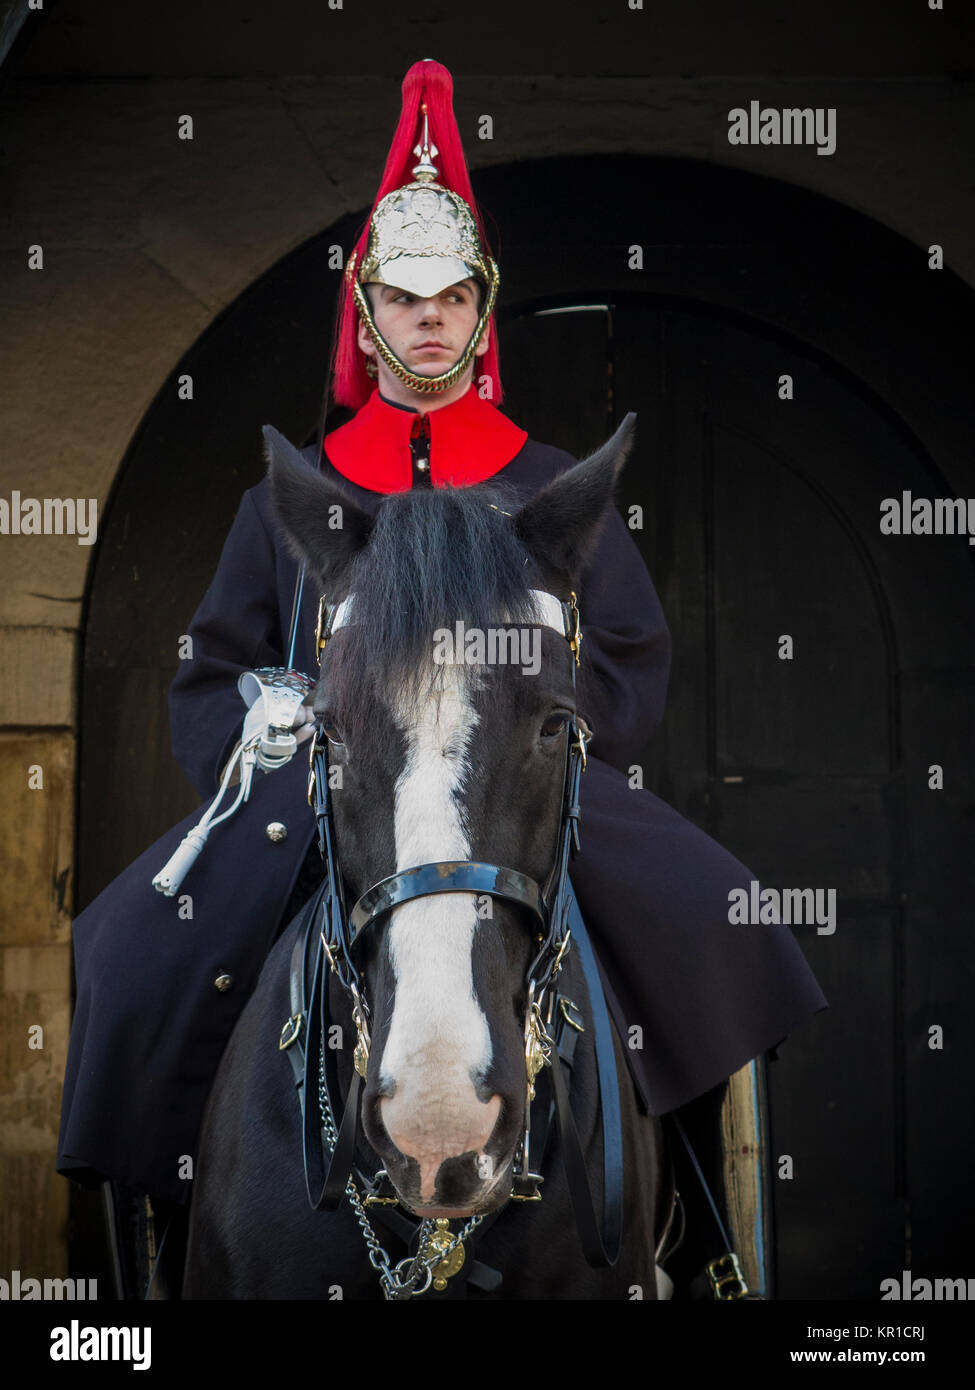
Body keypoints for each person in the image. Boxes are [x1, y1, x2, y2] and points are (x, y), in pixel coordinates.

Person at [58, 59, 826, 1298]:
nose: (429, 319)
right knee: (127, 941)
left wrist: (552, 718)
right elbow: (210, 665)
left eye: (452, 297)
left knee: (708, 912)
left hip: (513, 772)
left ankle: (710, 1235)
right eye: (404, 299)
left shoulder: (545, 480)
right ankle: (146, 1262)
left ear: (483, 311)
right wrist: (263, 716)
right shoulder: (294, 494)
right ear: (366, 313)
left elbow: (631, 653)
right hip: (333, 773)